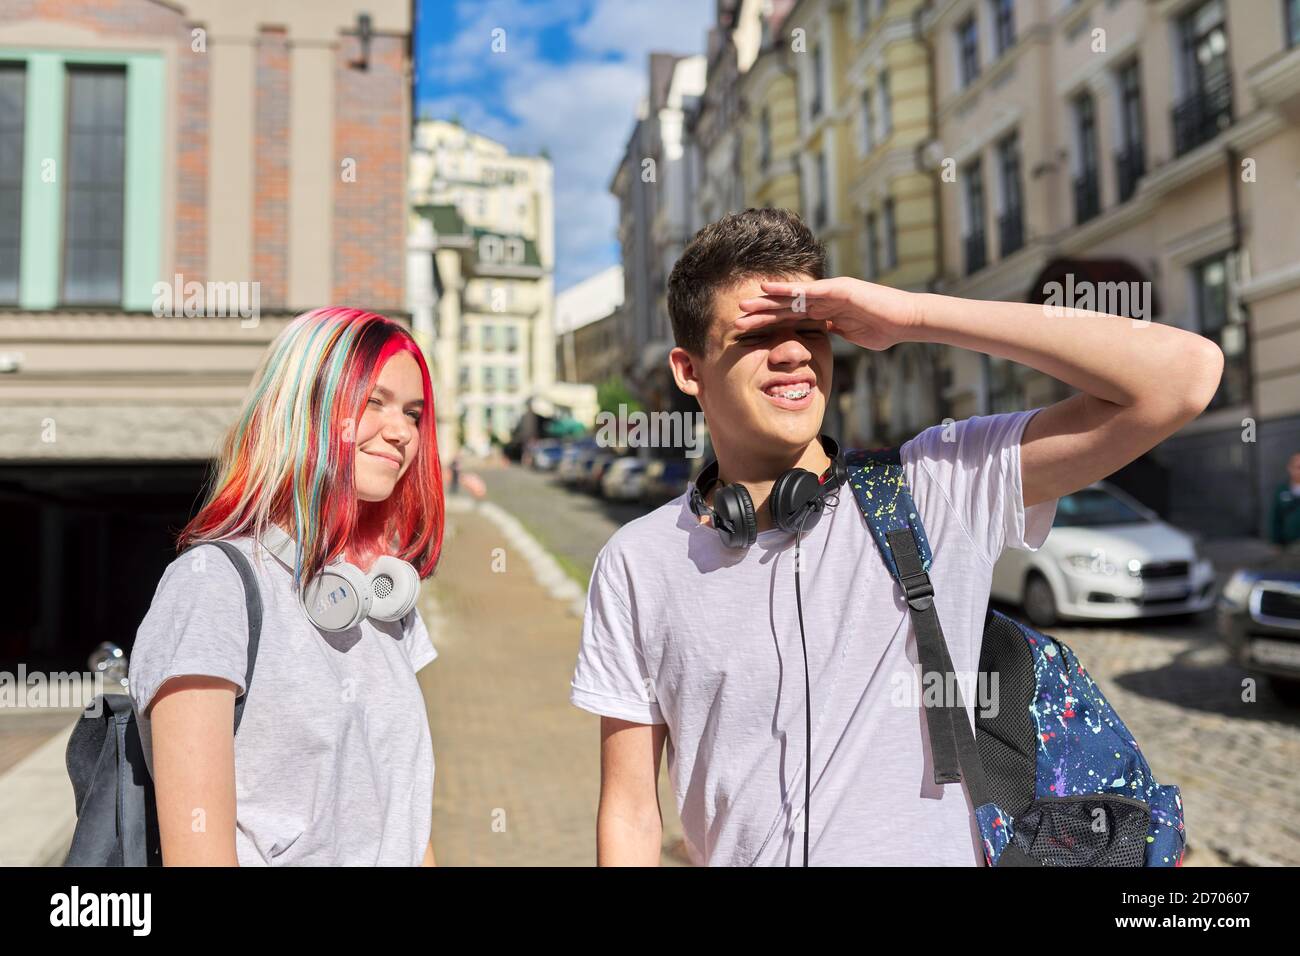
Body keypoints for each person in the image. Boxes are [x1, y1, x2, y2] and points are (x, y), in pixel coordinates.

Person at [569, 208, 1224, 866]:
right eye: (759, 333)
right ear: (689, 371)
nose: (795, 351)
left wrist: (914, 316)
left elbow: (1183, 377)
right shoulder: (638, 562)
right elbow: (630, 812)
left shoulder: (938, 484)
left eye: (809, 327)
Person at [128, 307, 445, 866]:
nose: (401, 432)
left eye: (413, 413)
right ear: (305, 407)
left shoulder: (383, 600)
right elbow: (198, 855)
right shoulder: (213, 589)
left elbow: (410, 826)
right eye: (373, 402)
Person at [1268, 452, 1300, 548]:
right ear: (1290, 468)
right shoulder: (1282, 490)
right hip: (1288, 545)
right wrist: (1275, 542)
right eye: (1298, 467)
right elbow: (1275, 517)